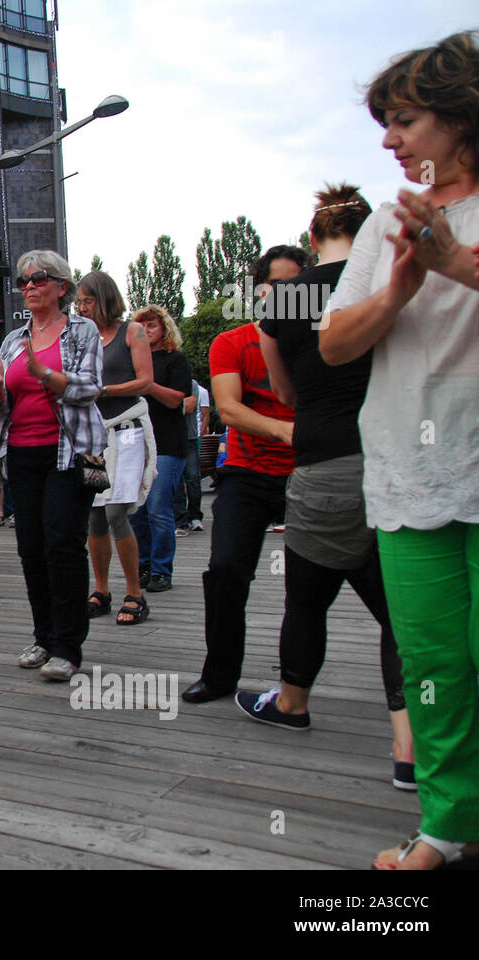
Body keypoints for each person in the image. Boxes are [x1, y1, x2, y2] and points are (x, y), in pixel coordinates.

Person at [320, 32, 479, 870]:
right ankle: (448, 826)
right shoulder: (387, 223)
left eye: (405, 120)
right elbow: (338, 344)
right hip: (412, 471)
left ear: (462, 116)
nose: (389, 141)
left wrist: (456, 261)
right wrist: (402, 289)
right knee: (436, 663)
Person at [244, 183, 414, 779]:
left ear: (312, 240)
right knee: (402, 615)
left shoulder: (282, 302)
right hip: (394, 459)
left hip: (320, 464)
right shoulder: (389, 284)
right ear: (368, 235)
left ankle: (292, 703)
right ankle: (408, 750)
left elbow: (286, 393)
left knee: (306, 601)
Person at [182, 249, 299, 704]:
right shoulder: (232, 341)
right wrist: (290, 431)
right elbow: (228, 408)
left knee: (314, 581)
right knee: (227, 569)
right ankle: (220, 674)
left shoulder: (326, 341)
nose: (291, 294)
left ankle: (294, 684)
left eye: (300, 285)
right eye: (280, 285)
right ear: (260, 291)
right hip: (248, 472)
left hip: (309, 474)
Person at [0, 250, 104, 682]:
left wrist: (45, 374)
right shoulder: (15, 339)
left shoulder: (82, 330)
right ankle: (43, 635)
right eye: (23, 281)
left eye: (39, 279)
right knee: (30, 548)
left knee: (62, 545)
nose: (29, 286)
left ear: (62, 287)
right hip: (21, 453)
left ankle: (67, 647)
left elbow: (90, 388)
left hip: (67, 453)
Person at [76, 271, 153, 624]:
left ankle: (135, 592)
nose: (81, 307)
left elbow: (145, 381)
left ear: (104, 299)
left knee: (116, 512)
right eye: (79, 302)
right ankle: (102, 589)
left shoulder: (132, 332)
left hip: (126, 432)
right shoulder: (82, 338)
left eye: (87, 301)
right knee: (94, 513)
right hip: (94, 438)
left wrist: (104, 390)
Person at [128, 305, 193, 593]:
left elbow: (176, 400)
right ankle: (143, 564)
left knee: (157, 508)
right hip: (136, 442)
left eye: (152, 325)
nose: (147, 330)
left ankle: (161, 569)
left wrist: (147, 384)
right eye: (142, 326)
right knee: (136, 510)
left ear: (164, 328)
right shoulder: (130, 360)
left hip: (167, 442)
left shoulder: (175, 360)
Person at [175, 378, 211, 533]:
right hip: (171, 438)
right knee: (176, 481)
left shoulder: (192, 384)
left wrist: (165, 405)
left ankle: (195, 516)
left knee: (193, 478)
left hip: (189, 437)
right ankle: (180, 519)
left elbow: (190, 407)